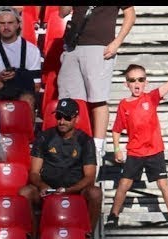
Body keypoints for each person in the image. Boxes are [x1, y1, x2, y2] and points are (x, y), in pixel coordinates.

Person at [107, 52, 168, 228]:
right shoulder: (124, 104)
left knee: (163, 183)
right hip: (135, 152)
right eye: (133, 80)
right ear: (126, 83)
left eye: (141, 80)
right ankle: (113, 216)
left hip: (154, 150)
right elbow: (117, 129)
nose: (137, 83)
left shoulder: (151, 98)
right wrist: (117, 149)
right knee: (124, 184)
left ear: (146, 81)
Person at [58, 5, 136, 159]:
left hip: (100, 46)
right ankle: (71, 142)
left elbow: (130, 14)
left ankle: (97, 146)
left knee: (98, 99)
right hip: (73, 45)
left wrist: (117, 42)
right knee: (69, 100)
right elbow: (63, 13)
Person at [19, 98, 102, 231]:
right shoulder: (44, 137)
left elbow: (89, 177)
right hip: (47, 190)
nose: (62, 121)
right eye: (59, 116)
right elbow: (34, 172)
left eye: (67, 117)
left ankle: (88, 235)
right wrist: (42, 185)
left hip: (76, 191)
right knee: (25, 192)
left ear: (76, 118)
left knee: (95, 193)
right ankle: (32, 236)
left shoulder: (85, 140)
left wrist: (68, 190)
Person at [0, 7, 42, 107]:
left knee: (27, 100)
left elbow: (36, 86)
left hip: (21, 91)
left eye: (10, 22)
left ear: (18, 24)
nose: (6, 27)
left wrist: (7, 84)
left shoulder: (31, 50)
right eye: (2, 23)